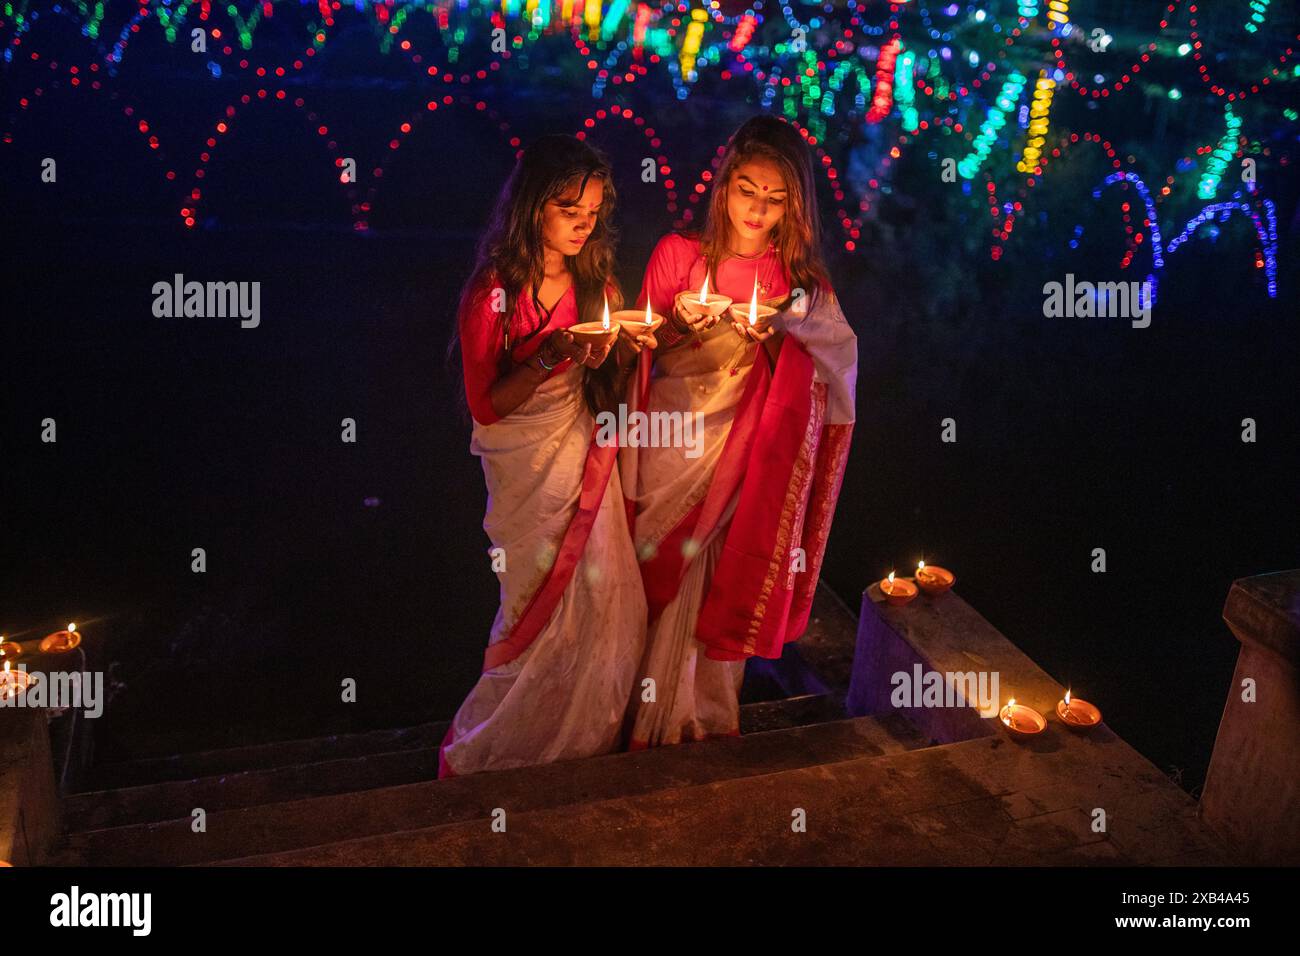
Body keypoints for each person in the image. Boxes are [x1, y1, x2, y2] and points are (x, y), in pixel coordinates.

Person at [620, 115, 858, 750]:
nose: (757, 209)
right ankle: (633, 720)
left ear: (794, 207)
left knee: (716, 585)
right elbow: (638, 355)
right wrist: (677, 325)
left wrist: (779, 338)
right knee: (652, 579)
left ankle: (696, 724)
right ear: (723, 187)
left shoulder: (798, 287)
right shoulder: (678, 254)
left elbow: (836, 362)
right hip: (668, 442)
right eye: (746, 189)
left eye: (775, 199)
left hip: (741, 458)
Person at [439, 135, 652, 777]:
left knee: (610, 599)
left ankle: (581, 746)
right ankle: (502, 745)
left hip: (582, 448)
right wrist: (556, 351)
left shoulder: (595, 282)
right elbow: (488, 405)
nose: (584, 226)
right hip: (527, 462)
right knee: (535, 603)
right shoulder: (493, 293)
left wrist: (640, 343)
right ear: (534, 208)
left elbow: (605, 376)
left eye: (593, 212)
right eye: (569, 211)